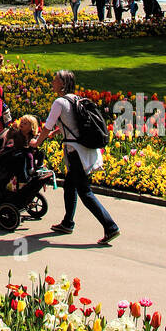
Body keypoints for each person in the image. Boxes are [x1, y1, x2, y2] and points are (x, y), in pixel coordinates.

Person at [39, 70, 119, 245]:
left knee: (84, 191)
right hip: (85, 148)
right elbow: (75, 122)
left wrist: (37, 142)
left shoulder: (59, 102)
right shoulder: (75, 99)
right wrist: (57, 131)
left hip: (75, 153)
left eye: (55, 80)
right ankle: (67, 222)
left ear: (62, 84)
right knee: (69, 185)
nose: (52, 82)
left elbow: (46, 126)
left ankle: (110, 226)